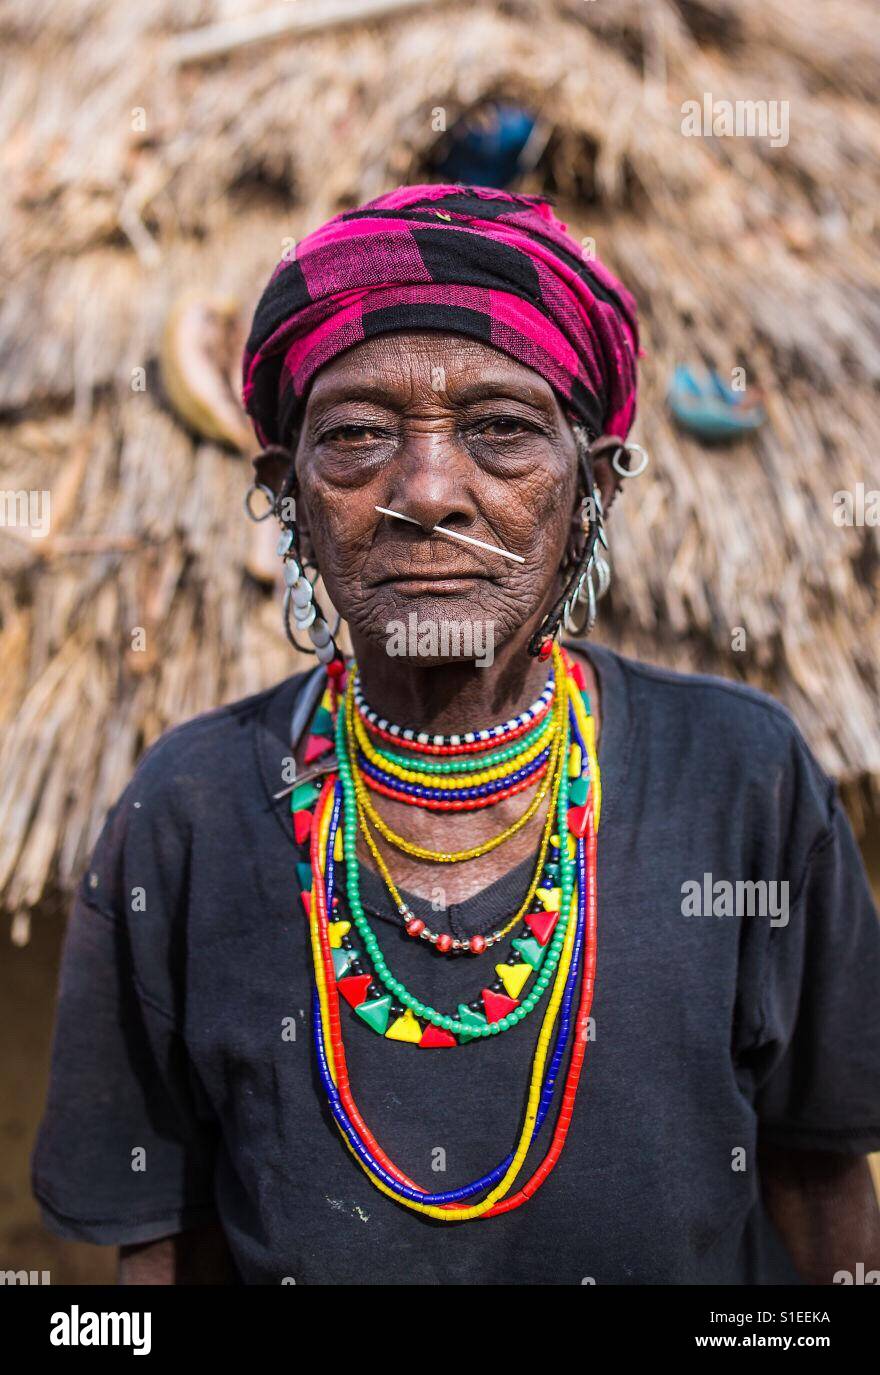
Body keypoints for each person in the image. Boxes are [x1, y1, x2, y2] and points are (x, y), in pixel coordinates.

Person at [33, 185, 880, 1284]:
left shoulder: (738, 779)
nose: (427, 491)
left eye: (500, 430)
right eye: (355, 437)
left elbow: (817, 1185)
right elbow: (155, 1244)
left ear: (595, 490)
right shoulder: (188, 811)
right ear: (285, 496)